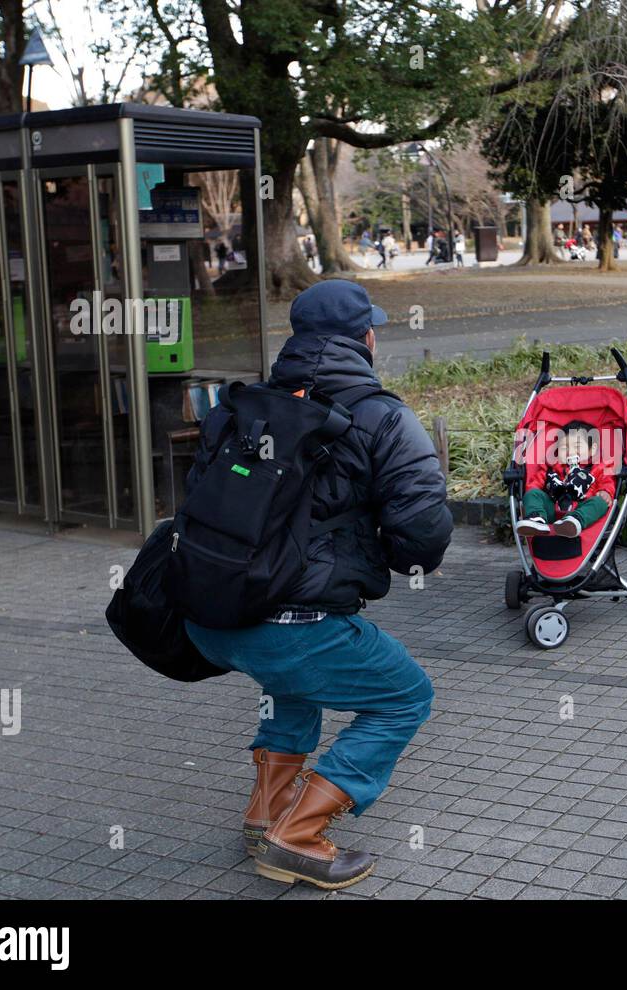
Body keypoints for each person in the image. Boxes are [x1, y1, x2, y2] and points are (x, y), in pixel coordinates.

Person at [183, 279, 452, 890]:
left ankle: (263, 815)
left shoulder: (240, 408)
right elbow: (424, 533)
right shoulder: (381, 416)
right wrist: (383, 555)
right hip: (293, 627)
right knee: (406, 695)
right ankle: (297, 836)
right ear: (365, 339)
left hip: (213, 618)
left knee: (291, 689)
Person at [513, 420, 614, 540]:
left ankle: (575, 521)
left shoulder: (597, 468)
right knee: (532, 493)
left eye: (577, 446)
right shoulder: (551, 467)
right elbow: (535, 484)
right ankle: (537, 519)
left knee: (600, 502)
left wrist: (606, 491)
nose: (570, 452)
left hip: (580, 508)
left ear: (592, 449)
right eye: (564, 447)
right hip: (553, 509)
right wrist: (532, 500)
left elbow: (607, 481)